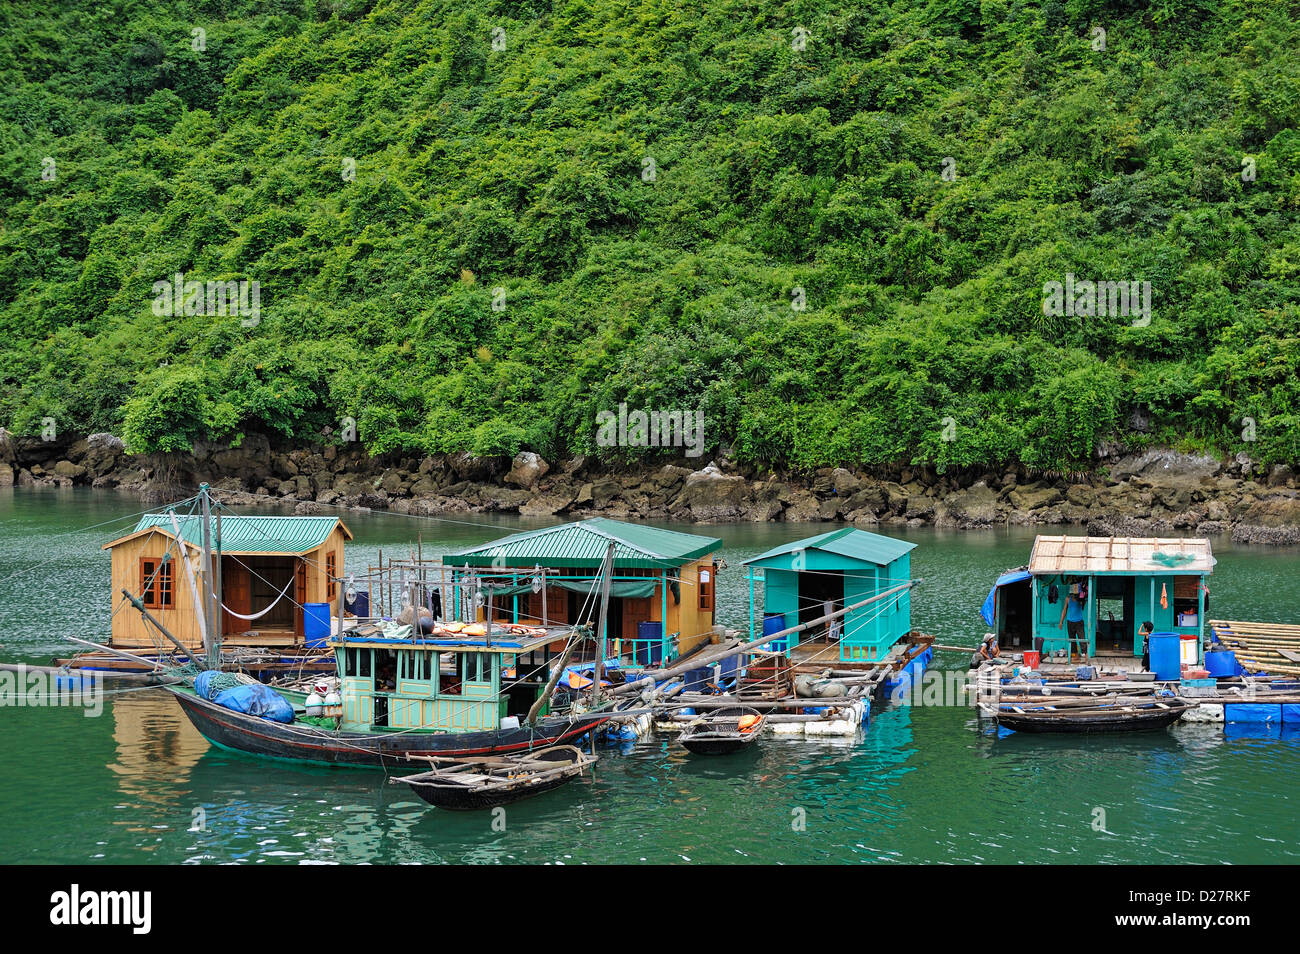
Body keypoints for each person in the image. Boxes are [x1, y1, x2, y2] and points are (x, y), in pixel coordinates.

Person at [1059, 583, 1087, 659]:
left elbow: (1083, 604)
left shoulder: (1081, 599)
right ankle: (1076, 655)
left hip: (1079, 621)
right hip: (1070, 622)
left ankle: (1086, 656)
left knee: (1082, 639)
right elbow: (1064, 610)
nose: (1074, 594)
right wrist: (1061, 622)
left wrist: (1082, 597)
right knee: (1072, 640)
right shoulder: (1068, 599)